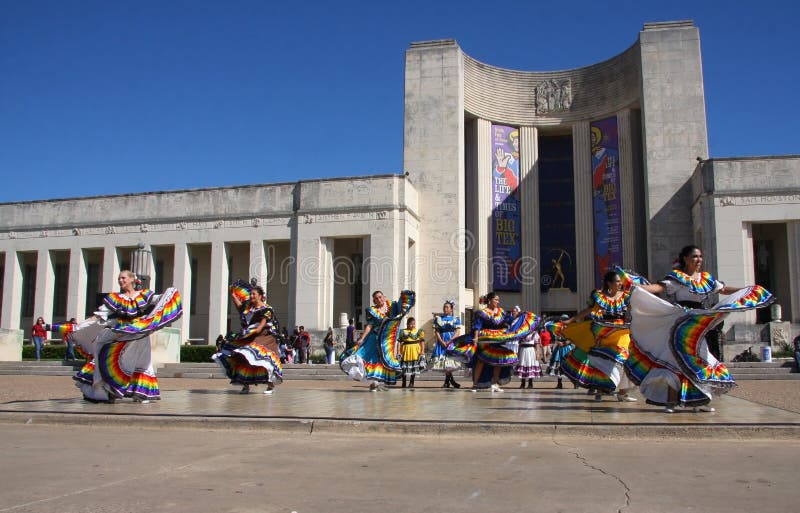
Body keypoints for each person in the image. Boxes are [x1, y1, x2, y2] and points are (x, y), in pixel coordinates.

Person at [626, 245, 774, 413]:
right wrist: (635, 288)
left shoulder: (706, 279)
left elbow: (723, 289)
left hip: (699, 323)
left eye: (700, 256)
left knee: (701, 358)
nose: (699, 260)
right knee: (675, 360)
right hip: (681, 323)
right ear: (686, 259)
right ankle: (672, 401)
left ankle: (698, 400)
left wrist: (746, 289)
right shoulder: (678, 277)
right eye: (695, 257)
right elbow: (659, 288)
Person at [70, 270, 183, 403]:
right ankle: (108, 389)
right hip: (122, 333)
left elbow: (160, 300)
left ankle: (141, 393)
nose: (120, 280)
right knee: (109, 355)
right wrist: (81, 325)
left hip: (139, 333)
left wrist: (170, 294)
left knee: (143, 362)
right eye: (119, 278)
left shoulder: (144, 295)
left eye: (123, 278)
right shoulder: (116, 299)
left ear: (132, 279)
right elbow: (99, 315)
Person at [449, 292, 539, 392]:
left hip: (497, 338)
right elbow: (477, 326)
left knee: (498, 360)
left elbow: (508, 320)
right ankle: (475, 384)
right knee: (481, 361)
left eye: (498, 300)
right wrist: (475, 337)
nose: (497, 301)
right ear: (490, 300)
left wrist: (519, 316)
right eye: (496, 299)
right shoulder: (482, 312)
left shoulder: (501, 311)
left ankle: (495, 384)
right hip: (485, 338)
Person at [212, 279, 282, 395]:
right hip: (249, 336)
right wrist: (233, 294)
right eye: (250, 294)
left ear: (260, 296)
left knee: (262, 360)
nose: (251, 296)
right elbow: (239, 306)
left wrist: (248, 333)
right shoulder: (248, 308)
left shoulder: (267, 309)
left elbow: (260, 328)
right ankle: (245, 386)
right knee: (242, 357)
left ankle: (270, 385)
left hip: (263, 337)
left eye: (254, 294)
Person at [340, 290, 415, 391]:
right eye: (376, 298)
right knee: (370, 359)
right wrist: (362, 338)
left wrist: (404, 296)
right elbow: (369, 326)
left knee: (383, 361)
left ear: (384, 297)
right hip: (374, 339)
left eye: (380, 297)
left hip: (387, 342)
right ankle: (373, 384)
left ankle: (376, 384)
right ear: (374, 301)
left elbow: (401, 308)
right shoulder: (372, 311)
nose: (379, 299)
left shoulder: (392, 306)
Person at [431, 300, 463, 389]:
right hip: (442, 342)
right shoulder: (438, 319)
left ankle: (448, 382)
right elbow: (437, 331)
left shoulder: (455, 319)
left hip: (451, 343)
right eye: (444, 307)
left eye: (447, 307)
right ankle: (451, 381)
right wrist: (441, 341)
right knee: (445, 363)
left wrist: (451, 341)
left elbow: (457, 332)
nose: (445, 309)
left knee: (449, 363)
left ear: (451, 309)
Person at [399, 317, 426, 389]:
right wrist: (398, 351)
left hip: (415, 351)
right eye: (411, 324)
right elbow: (399, 342)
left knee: (414, 368)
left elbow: (422, 341)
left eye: (414, 324)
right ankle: (404, 382)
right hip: (406, 351)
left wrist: (422, 351)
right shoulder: (402, 332)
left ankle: (411, 382)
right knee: (404, 368)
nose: (412, 325)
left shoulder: (418, 331)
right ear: (407, 324)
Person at [515, 322, 542, 389]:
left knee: (530, 364)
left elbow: (537, 344)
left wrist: (538, 353)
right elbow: (519, 344)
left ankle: (530, 383)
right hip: (523, 350)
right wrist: (518, 353)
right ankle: (522, 383)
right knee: (523, 365)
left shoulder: (534, 333)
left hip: (531, 351)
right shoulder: (521, 333)